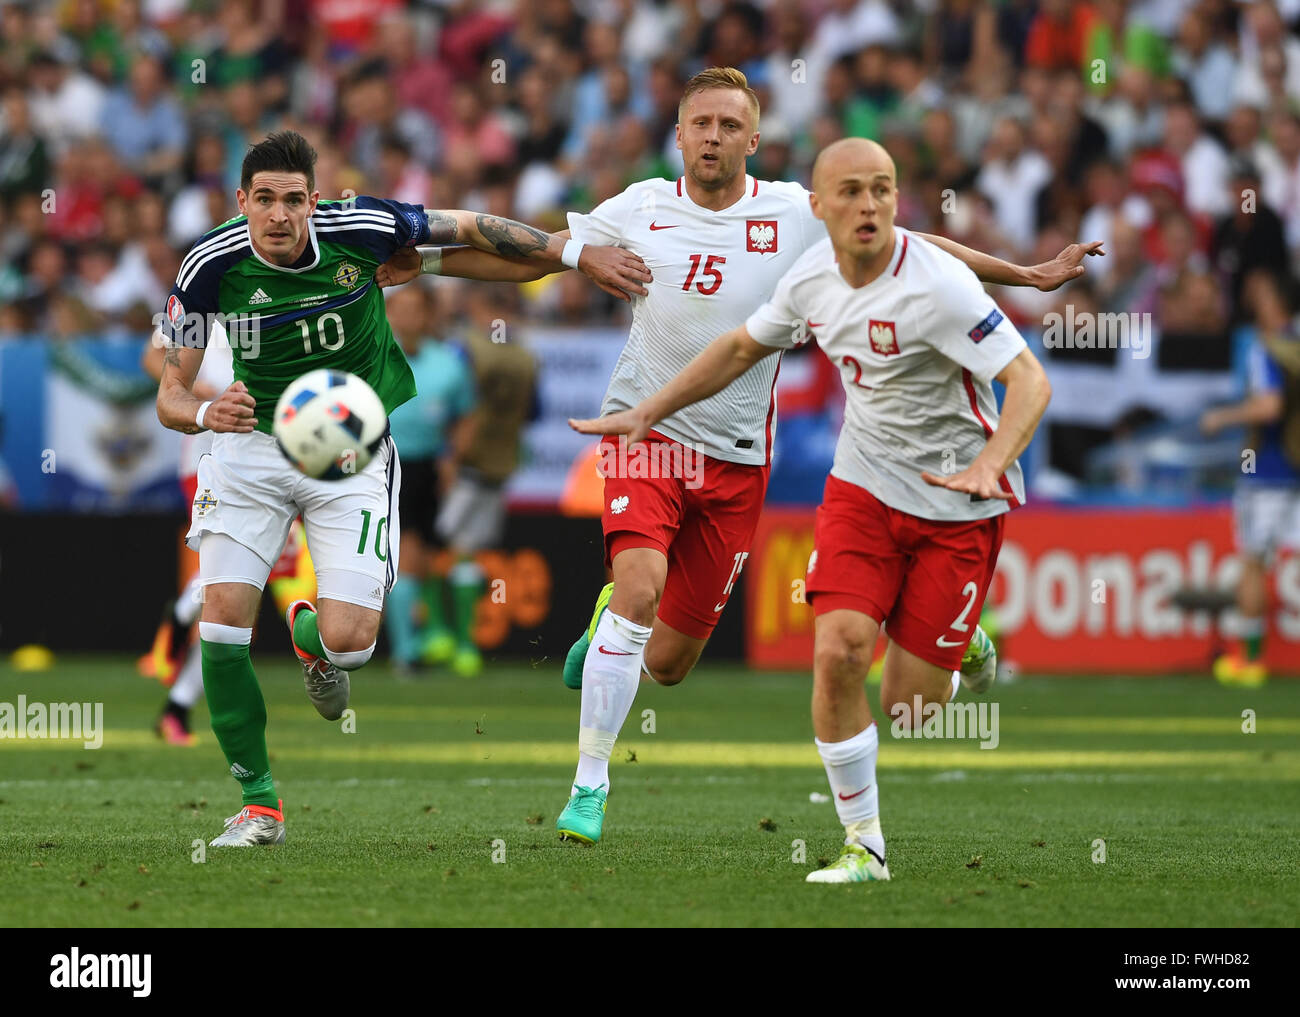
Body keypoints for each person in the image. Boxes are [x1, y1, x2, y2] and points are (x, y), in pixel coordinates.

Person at [378, 68, 1097, 846]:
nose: (713, 137)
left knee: (674, 662)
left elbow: (912, 248)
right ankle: (590, 784)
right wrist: (436, 261)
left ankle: (619, 621)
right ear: (679, 135)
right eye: (700, 124)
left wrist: (1023, 274)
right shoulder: (638, 207)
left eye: (729, 125)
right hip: (646, 431)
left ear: (753, 140)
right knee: (640, 586)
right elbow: (539, 254)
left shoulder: (793, 212)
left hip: (735, 461)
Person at [573, 137, 1054, 882]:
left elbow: (1031, 383)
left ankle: (956, 657)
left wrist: (990, 464)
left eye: (883, 191)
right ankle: (866, 846)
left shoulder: (942, 287)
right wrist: (648, 411)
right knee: (838, 654)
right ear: (820, 208)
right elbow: (737, 348)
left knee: (910, 708)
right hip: (861, 489)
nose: (869, 205)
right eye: (853, 192)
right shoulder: (808, 277)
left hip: (956, 503)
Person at [154, 130, 650, 847]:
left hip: (351, 452)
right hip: (248, 449)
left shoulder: (362, 228)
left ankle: (314, 641)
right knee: (223, 628)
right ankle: (260, 804)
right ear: (242, 202)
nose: (280, 215)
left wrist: (572, 253)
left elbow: (470, 236)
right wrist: (204, 412)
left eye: (294, 200)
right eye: (264, 200)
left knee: (354, 643)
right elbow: (169, 390)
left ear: (313, 202)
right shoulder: (208, 263)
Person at [432, 282, 538, 677]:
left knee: (435, 542)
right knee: (468, 550)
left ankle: (442, 635)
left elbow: (446, 401)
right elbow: (535, 412)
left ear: (479, 307)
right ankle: (464, 644)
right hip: (500, 463)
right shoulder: (527, 357)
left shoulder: (465, 349)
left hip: (459, 462)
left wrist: (448, 454)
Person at [1201, 270, 1300, 686]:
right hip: (1295, 471)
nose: (1252, 302)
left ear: (1275, 301)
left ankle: (1250, 661)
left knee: (1253, 564)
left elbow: (1269, 408)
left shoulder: (1268, 351)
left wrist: (1224, 416)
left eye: (1260, 295)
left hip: (1267, 473)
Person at [381, 281, 475, 674]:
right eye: (399, 308)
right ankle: (406, 651)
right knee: (401, 556)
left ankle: (424, 644)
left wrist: (453, 457)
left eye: (416, 309)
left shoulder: (449, 364)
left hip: (428, 469)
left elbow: (467, 415)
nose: (407, 317)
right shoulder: (374, 357)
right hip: (381, 462)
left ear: (429, 314)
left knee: (424, 556)